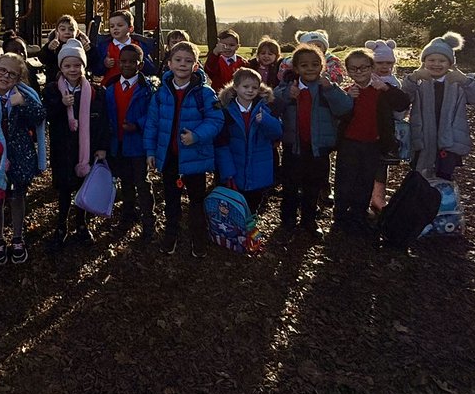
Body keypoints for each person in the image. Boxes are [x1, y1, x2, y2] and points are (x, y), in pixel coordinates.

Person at [144, 41, 224, 257]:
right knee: (171, 198)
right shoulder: (161, 93)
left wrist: (196, 136)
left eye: (188, 61)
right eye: (178, 60)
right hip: (170, 157)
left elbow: (216, 120)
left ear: (196, 66)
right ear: (169, 64)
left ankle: (199, 237)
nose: (182, 64)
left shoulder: (205, 94)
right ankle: (171, 233)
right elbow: (152, 123)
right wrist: (151, 151)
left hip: (194, 158)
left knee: (197, 200)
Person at [0, 52, 47, 265]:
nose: (5, 76)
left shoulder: (24, 94)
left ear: (18, 78)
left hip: (20, 155)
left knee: (17, 196)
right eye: (2, 70)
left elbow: (40, 116)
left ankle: (18, 237)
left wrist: (23, 103)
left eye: (12, 74)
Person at [272, 44, 353, 237]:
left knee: (313, 185)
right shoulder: (288, 87)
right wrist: (285, 96)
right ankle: (288, 219)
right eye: (304, 65)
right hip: (294, 147)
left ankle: (309, 220)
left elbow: (345, 108)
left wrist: (331, 90)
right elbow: (274, 108)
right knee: (291, 185)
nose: (310, 69)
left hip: (319, 148)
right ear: (296, 68)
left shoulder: (326, 88)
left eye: (315, 64)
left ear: (322, 66)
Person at [334, 49, 412, 236]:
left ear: (372, 68)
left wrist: (386, 88)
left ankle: (359, 213)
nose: (359, 72)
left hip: (373, 144)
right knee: (345, 179)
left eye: (364, 67)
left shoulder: (381, 89)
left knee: (365, 180)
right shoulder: (347, 93)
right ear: (347, 71)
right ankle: (340, 214)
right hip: (349, 144)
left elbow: (403, 103)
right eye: (353, 69)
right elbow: (338, 115)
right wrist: (348, 100)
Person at [45, 41, 110, 247]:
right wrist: (60, 104)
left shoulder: (96, 92)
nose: (72, 70)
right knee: (64, 189)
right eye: (67, 66)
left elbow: (102, 122)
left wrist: (101, 147)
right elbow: (46, 115)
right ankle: (61, 224)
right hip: (63, 148)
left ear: (84, 66)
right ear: (61, 68)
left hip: (87, 148)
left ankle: (82, 223)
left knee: (84, 187)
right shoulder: (53, 90)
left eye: (77, 65)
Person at [401, 32, 475, 182]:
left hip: (450, 138)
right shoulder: (419, 82)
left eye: (442, 61)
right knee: (420, 175)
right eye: (431, 60)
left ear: (450, 64)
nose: (436, 64)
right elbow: (403, 99)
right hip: (423, 136)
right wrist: (413, 78)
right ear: (424, 62)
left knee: (445, 175)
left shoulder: (457, 82)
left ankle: (444, 201)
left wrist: (465, 81)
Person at [214, 67, 283, 217]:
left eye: (254, 87)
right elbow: (221, 143)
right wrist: (227, 171)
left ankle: (249, 232)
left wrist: (265, 120)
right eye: (245, 87)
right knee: (233, 207)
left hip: (258, 169)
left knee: (253, 206)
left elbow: (277, 132)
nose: (250, 91)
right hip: (234, 169)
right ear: (236, 87)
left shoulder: (266, 108)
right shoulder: (225, 111)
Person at [104, 43, 157, 240]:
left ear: (140, 64)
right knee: (125, 182)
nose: (127, 65)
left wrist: (138, 125)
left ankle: (148, 220)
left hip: (138, 145)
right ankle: (128, 214)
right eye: (123, 61)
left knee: (142, 183)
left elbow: (153, 115)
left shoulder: (147, 88)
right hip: (118, 143)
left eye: (132, 62)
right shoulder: (111, 88)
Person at [366, 39, 406, 210]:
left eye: (389, 63)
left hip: (386, 129)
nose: (384, 66)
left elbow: (400, 107)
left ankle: (378, 199)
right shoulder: (366, 79)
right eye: (379, 62)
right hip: (368, 128)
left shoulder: (394, 82)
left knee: (382, 166)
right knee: (367, 165)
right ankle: (366, 198)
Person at [90, 9, 158, 86]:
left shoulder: (140, 46)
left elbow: (151, 70)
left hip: (135, 89)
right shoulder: (104, 47)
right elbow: (96, 71)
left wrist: (139, 62)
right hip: (110, 89)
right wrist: (104, 64)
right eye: (112, 26)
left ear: (130, 28)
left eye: (120, 25)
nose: (115, 28)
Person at [39, 14, 91, 83]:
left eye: (71, 29)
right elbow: (43, 59)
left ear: (77, 32)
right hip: (55, 83)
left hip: (78, 83)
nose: (67, 32)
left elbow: (92, 63)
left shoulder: (81, 46)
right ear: (56, 32)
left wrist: (89, 50)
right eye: (63, 29)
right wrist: (48, 49)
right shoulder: (53, 45)